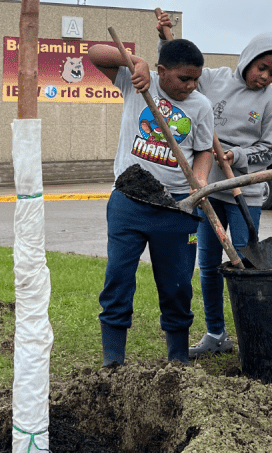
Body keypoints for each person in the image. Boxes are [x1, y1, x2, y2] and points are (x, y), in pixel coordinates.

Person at [156, 9, 272, 359]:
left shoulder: (271, 103)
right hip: (209, 191)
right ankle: (216, 332)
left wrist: (238, 157)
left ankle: (254, 333)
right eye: (262, 68)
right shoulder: (213, 80)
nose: (265, 77)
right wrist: (165, 35)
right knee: (211, 263)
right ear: (247, 59)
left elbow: (271, 150)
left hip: (246, 193)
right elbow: (179, 74)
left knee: (246, 267)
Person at [87, 37, 214, 366]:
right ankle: (113, 364)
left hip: (177, 208)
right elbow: (94, 53)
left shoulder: (200, 106)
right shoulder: (138, 82)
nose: (191, 85)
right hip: (129, 199)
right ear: (161, 71)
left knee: (177, 285)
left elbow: (203, 151)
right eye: (184, 78)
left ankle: (178, 362)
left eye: (195, 79)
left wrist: (198, 185)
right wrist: (136, 60)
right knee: (118, 277)